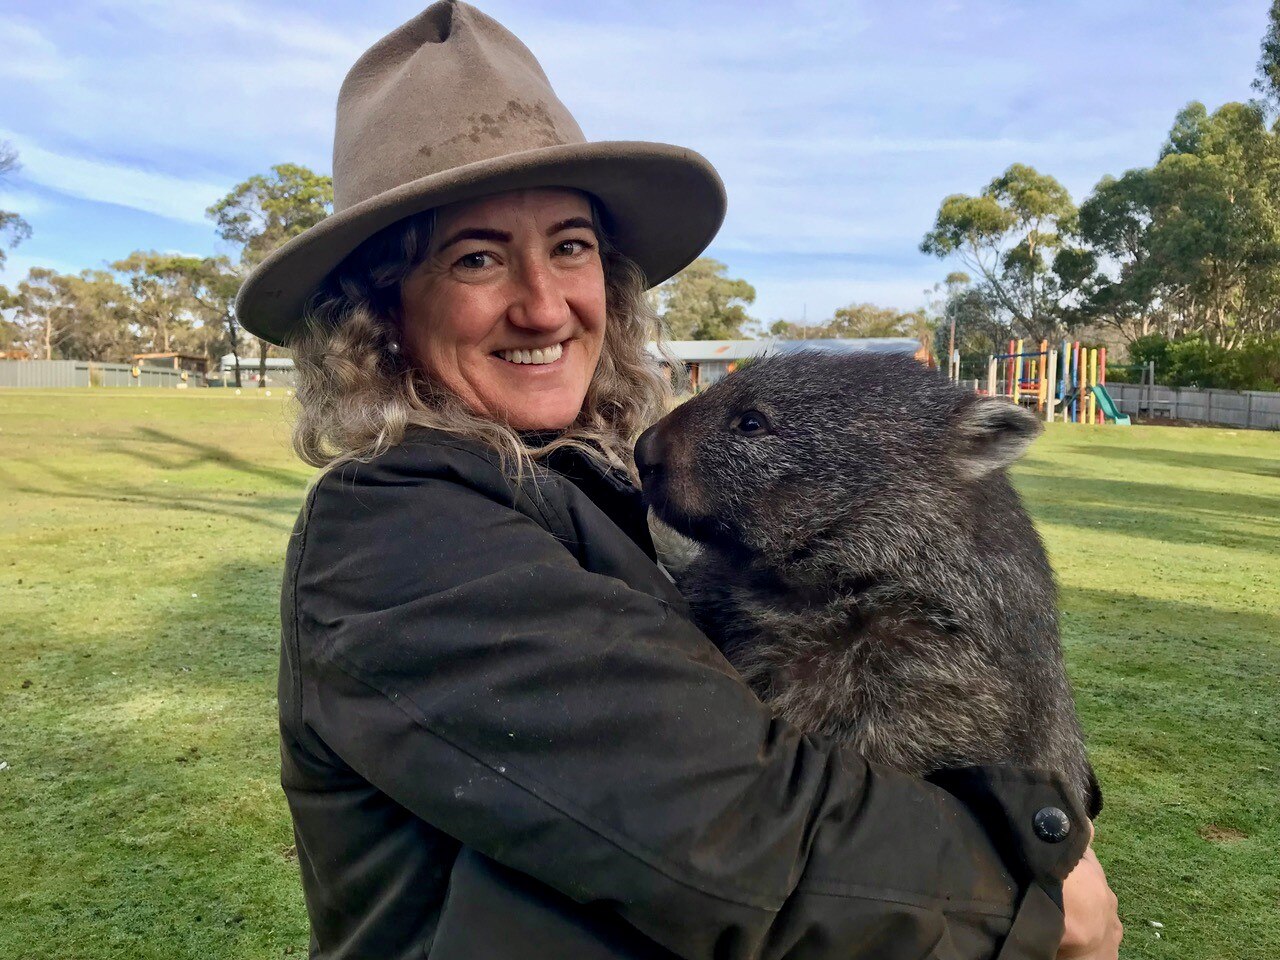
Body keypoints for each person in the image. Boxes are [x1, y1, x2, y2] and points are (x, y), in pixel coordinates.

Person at [236, 3, 1123, 958]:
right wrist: (1034, 889)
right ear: (379, 314)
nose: (544, 306)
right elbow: (730, 825)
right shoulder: (390, 531)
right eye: (478, 257)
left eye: (570, 246)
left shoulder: (579, 488)